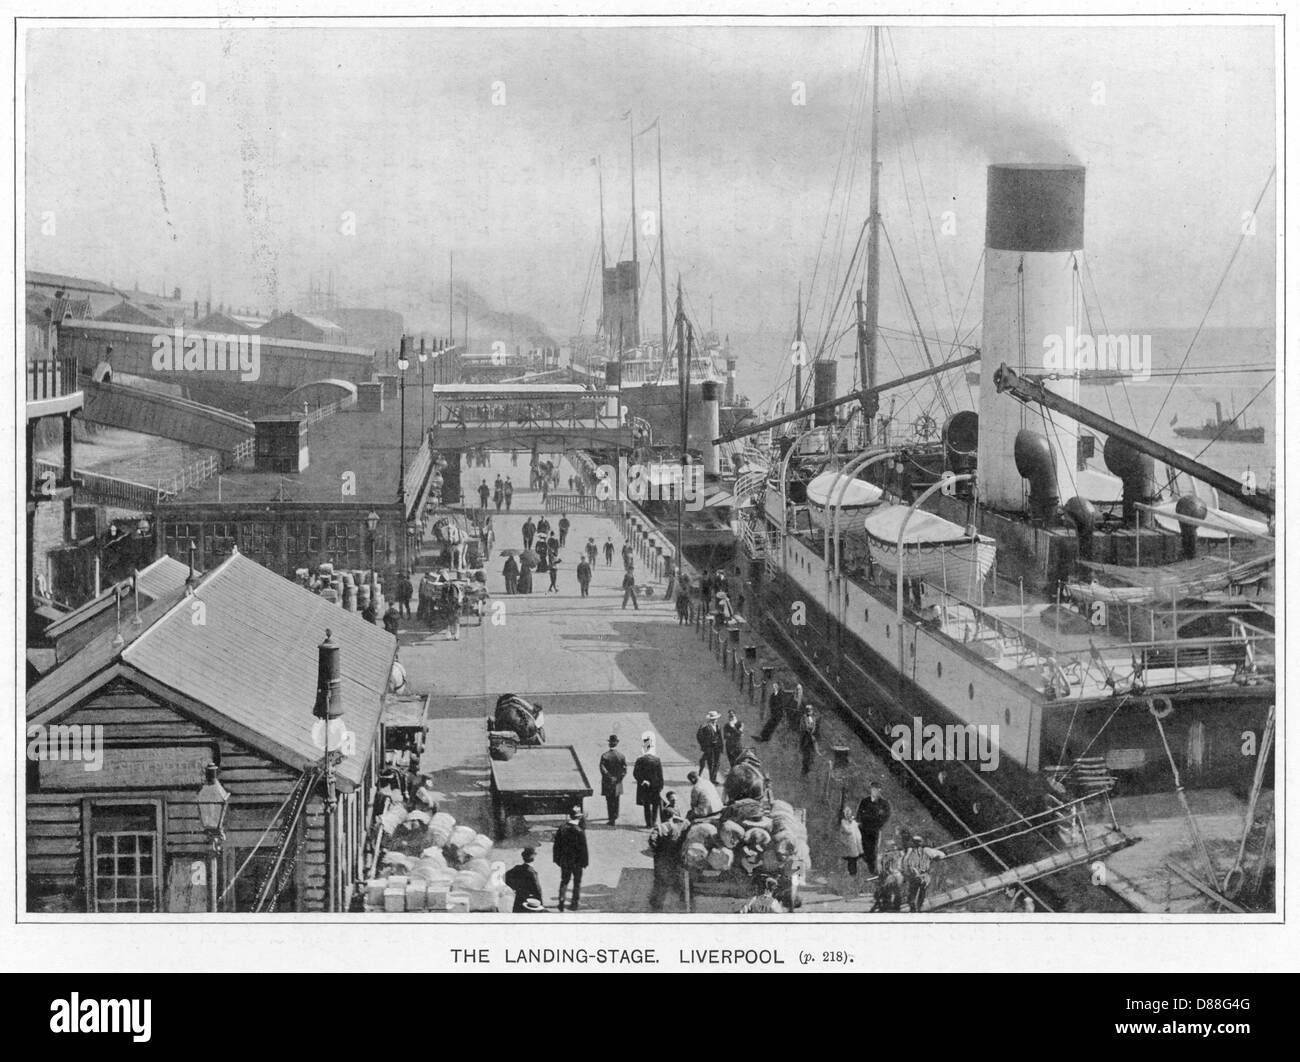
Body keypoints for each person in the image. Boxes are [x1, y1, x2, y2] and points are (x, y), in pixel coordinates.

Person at [648, 805, 688, 911]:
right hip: (677, 857)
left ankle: (656, 903)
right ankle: (684, 899)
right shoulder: (684, 824)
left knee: (660, 880)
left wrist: (657, 851)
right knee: (679, 877)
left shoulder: (660, 827)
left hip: (662, 858)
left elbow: (652, 840)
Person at [552, 808, 588, 913]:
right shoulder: (579, 831)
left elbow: (556, 846)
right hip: (577, 863)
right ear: (578, 817)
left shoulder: (562, 828)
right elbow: (583, 849)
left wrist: (557, 859)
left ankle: (561, 903)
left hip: (565, 861)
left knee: (564, 881)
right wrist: (584, 862)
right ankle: (574, 904)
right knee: (577, 882)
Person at [901, 833, 947, 912]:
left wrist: (936, 857)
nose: (916, 844)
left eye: (917, 842)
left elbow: (942, 855)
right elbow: (905, 863)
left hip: (921, 876)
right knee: (916, 893)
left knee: (917, 893)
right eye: (915, 842)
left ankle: (916, 907)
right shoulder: (914, 851)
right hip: (917, 876)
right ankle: (915, 907)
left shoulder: (924, 850)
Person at [855, 780, 893, 876]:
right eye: (873, 789)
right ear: (871, 790)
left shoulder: (883, 803)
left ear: (880, 791)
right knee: (864, 849)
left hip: (875, 830)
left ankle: (872, 870)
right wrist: (859, 823)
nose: (875, 791)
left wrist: (879, 823)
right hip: (863, 829)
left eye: (877, 789)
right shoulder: (865, 801)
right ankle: (867, 868)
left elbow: (887, 815)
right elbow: (859, 813)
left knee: (873, 850)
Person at [633, 732, 664, 828]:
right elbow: (660, 775)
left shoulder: (640, 760)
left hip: (644, 786)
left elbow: (635, 773)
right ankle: (654, 821)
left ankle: (648, 823)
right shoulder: (657, 760)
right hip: (655, 786)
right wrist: (660, 786)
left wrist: (643, 780)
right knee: (655, 805)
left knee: (646, 805)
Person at [598, 735, 627, 826]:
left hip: (608, 781)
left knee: (609, 800)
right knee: (616, 798)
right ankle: (616, 815)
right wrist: (619, 778)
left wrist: (609, 777)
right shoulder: (621, 756)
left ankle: (611, 819)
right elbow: (624, 769)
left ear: (609, 744)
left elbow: (602, 768)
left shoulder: (605, 755)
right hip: (618, 782)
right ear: (617, 743)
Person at [504, 847, 544, 912]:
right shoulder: (532, 873)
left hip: (518, 901)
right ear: (533, 857)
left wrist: (515, 888)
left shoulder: (516, 868)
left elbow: (505, 877)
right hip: (529, 904)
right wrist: (541, 905)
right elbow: (538, 891)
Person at [871, 841, 906, 912]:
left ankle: (894, 905)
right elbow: (880, 866)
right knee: (890, 890)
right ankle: (889, 905)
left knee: (893, 890)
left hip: (895, 874)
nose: (893, 847)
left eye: (894, 845)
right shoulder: (885, 855)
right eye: (892, 845)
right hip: (892, 874)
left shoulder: (898, 853)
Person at [838, 804, 864, 888]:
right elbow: (848, 831)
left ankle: (855, 880)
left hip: (855, 846)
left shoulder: (853, 823)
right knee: (850, 862)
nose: (848, 814)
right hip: (848, 847)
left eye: (849, 813)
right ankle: (850, 879)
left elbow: (857, 833)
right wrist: (851, 823)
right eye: (847, 813)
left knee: (855, 862)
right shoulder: (844, 822)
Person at [696, 710, 725, 784]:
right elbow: (699, 736)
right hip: (709, 747)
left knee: (717, 763)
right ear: (710, 719)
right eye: (713, 719)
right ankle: (711, 779)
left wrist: (721, 747)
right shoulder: (705, 727)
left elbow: (720, 737)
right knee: (710, 763)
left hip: (717, 747)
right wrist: (704, 745)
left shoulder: (718, 726)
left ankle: (713, 778)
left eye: (716, 718)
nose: (715, 720)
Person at [798, 702, 820, 775]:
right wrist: (807, 731)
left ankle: (809, 766)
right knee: (806, 754)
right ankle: (805, 768)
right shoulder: (804, 718)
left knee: (812, 752)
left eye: (810, 711)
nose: (809, 712)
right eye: (808, 711)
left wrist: (812, 731)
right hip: (806, 737)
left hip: (811, 737)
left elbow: (814, 726)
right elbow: (802, 727)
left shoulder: (813, 718)